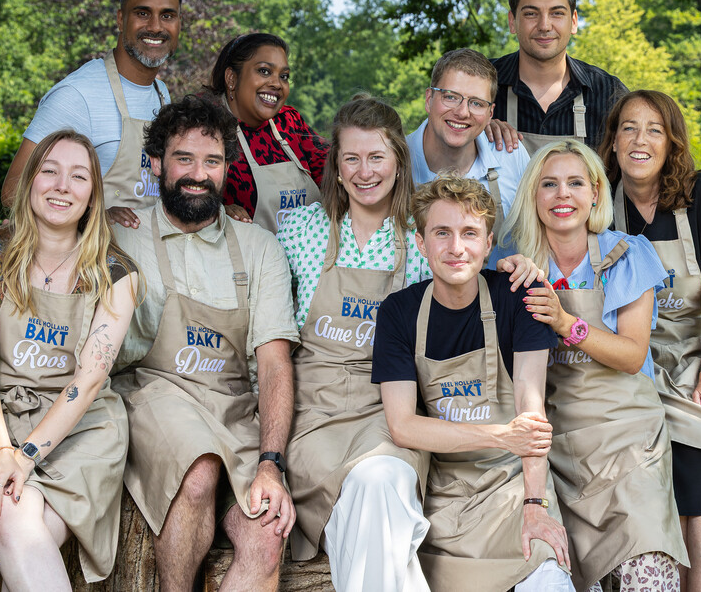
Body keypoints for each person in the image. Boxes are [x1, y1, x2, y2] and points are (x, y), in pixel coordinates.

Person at [109, 95, 298, 592]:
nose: (198, 173)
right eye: (184, 159)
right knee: (198, 471)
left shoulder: (258, 247)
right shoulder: (120, 236)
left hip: (235, 411)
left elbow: (275, 364)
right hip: (155, 394)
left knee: (267, 535)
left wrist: (270, 464)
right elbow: (42, 241)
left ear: (226, 168)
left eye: (211, 161)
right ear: (155, 164)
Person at [0, 130, 139, 589]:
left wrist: (26, 456)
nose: (61, 186)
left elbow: (90, 381)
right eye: (49, 171)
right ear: (30, 181)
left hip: (81, 427)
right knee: (14, 518)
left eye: (78, 177)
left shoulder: (115, 274)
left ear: (93, 195)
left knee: (12, 523)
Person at [373, 173, 573, 592]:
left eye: (469, 233)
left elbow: (530, 414)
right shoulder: (399, 313)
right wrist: (502, 435)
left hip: (514, 485)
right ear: (422, 242)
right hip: (443, 499)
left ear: (489, 242)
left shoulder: (520, 297)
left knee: (548, 580)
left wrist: (535, 507)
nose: (456, 247)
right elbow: (403, 426)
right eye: (441, 233)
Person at [505, 140, 689, 591]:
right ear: (533, 196)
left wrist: (567, 322)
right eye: (548, 184)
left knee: (647, 568)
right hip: (553, 439)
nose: (562, 195)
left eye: (575, 183)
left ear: (594, 194)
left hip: (625, 437)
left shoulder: (627, 253)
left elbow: (631, 356)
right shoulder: (517, 265)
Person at [600, 90, 701, 592]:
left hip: (700, 346)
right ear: (611, 141)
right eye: (628, 128)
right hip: (634, 352)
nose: (640, 140)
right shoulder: (600, 202)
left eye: (654, 129)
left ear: (672, 141)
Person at [276, 94, 432, 591]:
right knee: (369, 509)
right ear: (336, 168)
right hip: (314, 418)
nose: (365, 171)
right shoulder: (299, 230)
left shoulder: (425, 238)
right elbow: (270, 335)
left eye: (377, 157)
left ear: (398, 163)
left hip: (392, 415)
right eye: (352, 158)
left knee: (378, 480)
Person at [2, 0, 181, 222]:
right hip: (90, 259)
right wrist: (94, 217)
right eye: (142, 13)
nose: (155, 26)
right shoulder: (76, 94)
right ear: (121, 19)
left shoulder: (162, 93)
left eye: (167, 15)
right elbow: (13, 190)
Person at [407, 48, 531, 268]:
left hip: (496, 299)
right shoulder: (395, 159)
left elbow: (539, 235)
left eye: (476, 103)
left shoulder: (510, 155)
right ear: (429, 99)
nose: (462, 112)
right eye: (451, 97)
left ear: (490, 113)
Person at [490, 0, 627, 155]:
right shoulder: (481, 84)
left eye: (557, 13)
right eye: (531, 13)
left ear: (573, 21)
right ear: (512, 22)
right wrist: (475, 129)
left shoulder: (609, 93)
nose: (544, 25)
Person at [206, 33, 327, 233]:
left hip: (307, 260)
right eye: (264, 71)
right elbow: (188, 194)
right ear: (232, 78)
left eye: (284, 76)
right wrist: (218, 212)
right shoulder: (206, 128)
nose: (277, 83)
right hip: (245, 261)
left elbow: (333, 170)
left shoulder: (289, 121)